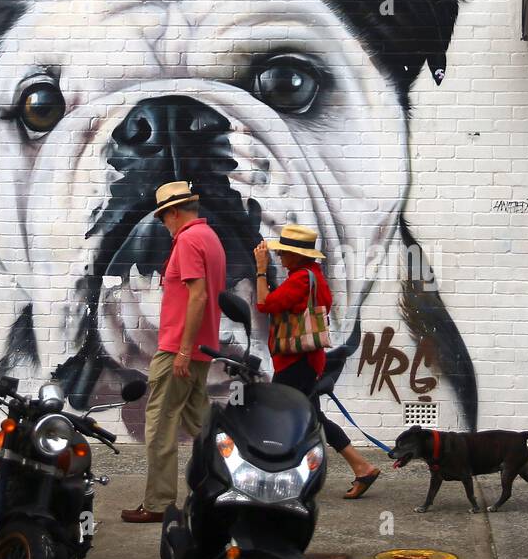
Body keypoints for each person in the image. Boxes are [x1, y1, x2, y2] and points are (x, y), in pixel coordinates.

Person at [122, 181, 225, 523]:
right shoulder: (211, 239)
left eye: (163, 217)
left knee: (160, 426)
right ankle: (226, 488)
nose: (163, 224)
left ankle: (158, 503)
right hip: (201, 349)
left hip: (179, 351)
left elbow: (197, 297)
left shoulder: (188, 240)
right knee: (201, 427)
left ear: (175, 212)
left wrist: (182, 350)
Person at [253, 224, 381, 499]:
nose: (280, 258)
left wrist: (260, 269)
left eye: (285, 253)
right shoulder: (314, 277)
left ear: (298, 256)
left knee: (285, 418)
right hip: (305, 361)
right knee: (311, 418)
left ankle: (281, 475)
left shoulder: (301, 280)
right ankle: (361, 467)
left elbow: (264, 303)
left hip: (296, 363)